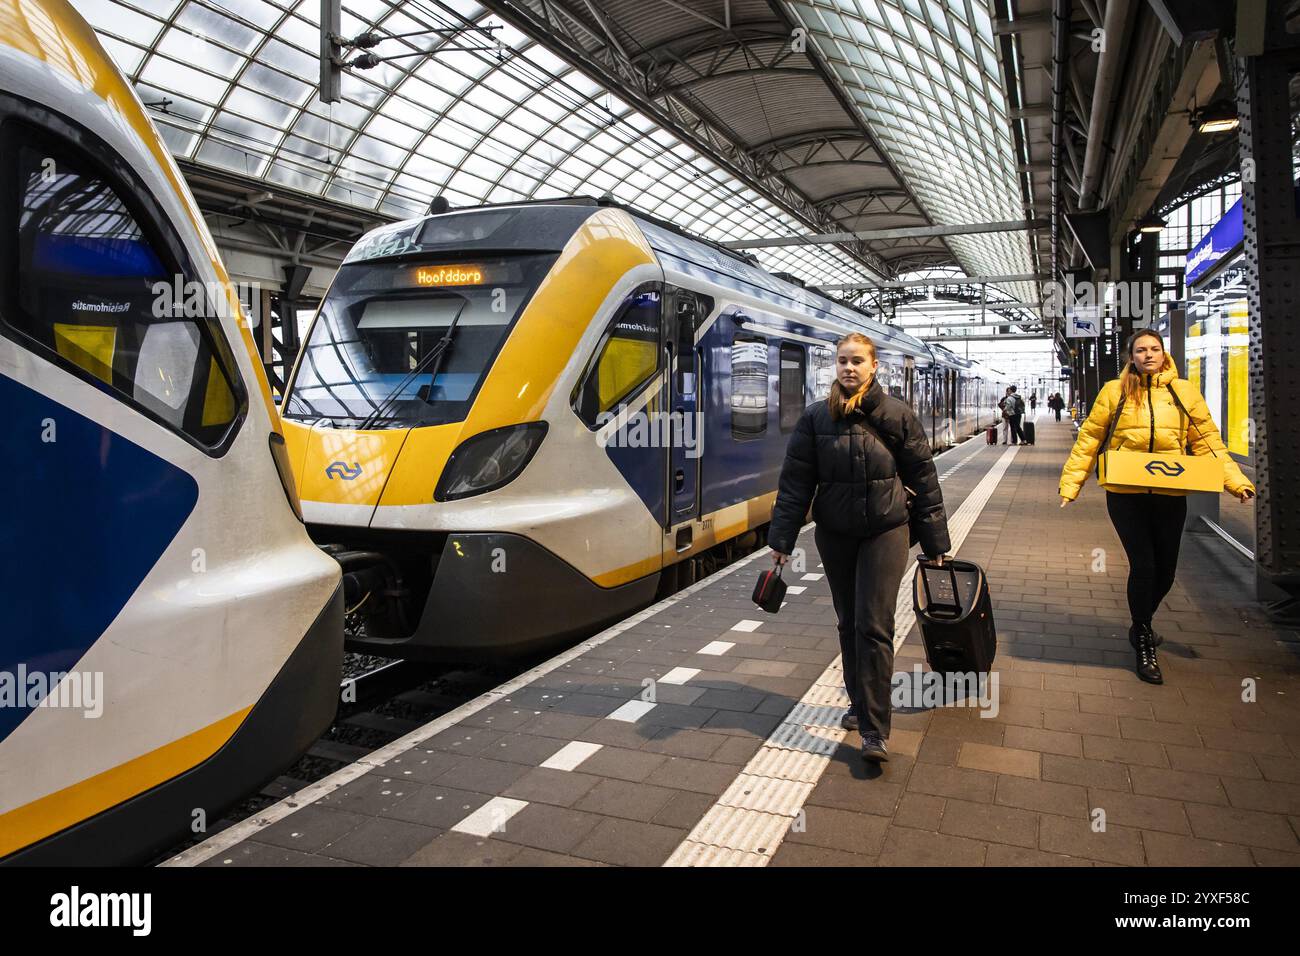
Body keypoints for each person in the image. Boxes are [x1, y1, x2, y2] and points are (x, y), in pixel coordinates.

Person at [768, 333, 951, 763]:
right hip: (835, 534)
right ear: (835, 366)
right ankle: (858, 703)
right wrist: (782, 540)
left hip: (886, 532)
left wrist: (935, 542)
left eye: (857, 361)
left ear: (874, 367)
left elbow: (924, 479)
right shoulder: (816, 419)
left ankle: (874, 729)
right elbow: (796, 483)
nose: (849, 368)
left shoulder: (897, 415)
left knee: (873, 625)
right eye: (842, 361)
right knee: (849, 623)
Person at [1059, 329, 1255, 684]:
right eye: (1140, 350)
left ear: (1164, 354)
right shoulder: (1114, 392)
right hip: (1125, 494)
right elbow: (1090, 439)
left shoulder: (1184, 393)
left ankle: (1139, 624)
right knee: (1145, 566)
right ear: (1130, 357)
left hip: (1170, 494)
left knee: (1166, 572)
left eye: (1154, 349)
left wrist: (1236, 481)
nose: (1148, 355)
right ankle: (1145, 641)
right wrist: (1071, 484)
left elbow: (1208, 441)